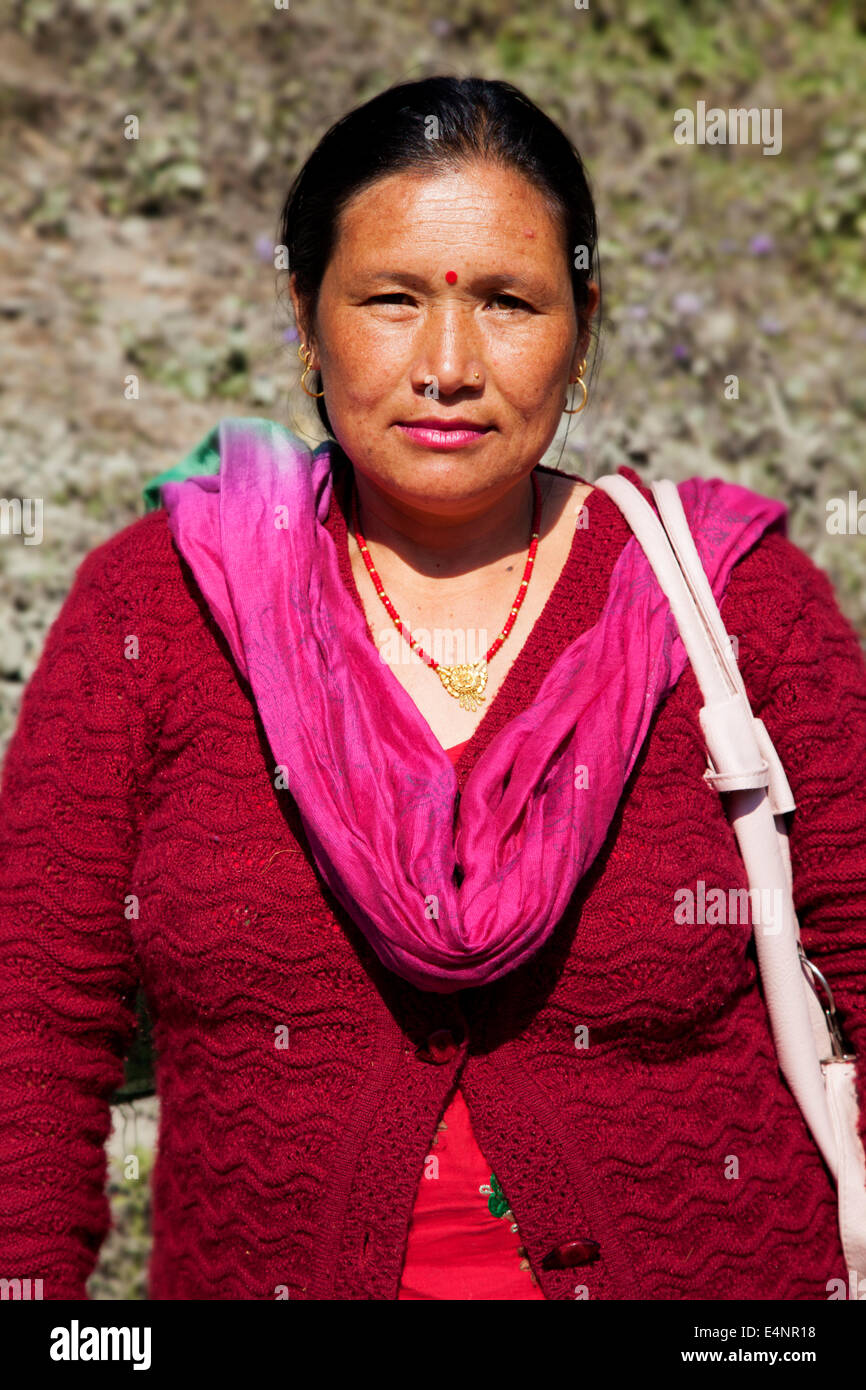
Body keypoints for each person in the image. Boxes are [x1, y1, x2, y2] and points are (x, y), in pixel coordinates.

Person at [1, 75, 864, 1302]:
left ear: (582, 325)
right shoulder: (161, 609)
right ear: (305, 316)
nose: (447, 366)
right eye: (390, 301)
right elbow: (31, 1018)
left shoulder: (734, 606)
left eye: (508, 303)